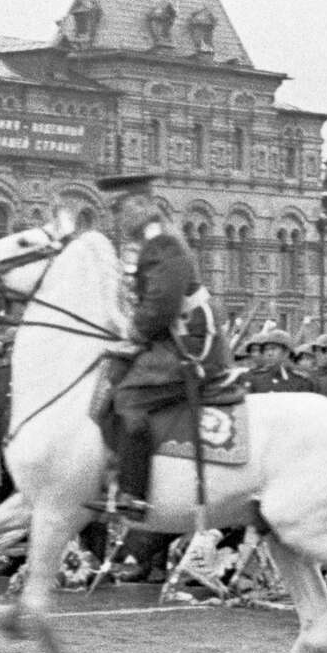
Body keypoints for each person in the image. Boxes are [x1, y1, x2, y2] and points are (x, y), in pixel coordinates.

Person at [92, 173, 231, 519]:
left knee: (130, 396)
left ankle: (134, 494)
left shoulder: (162, 243)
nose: (118, 219)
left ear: (142, 206)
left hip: (191, 344)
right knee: (111, 376)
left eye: (121, 209)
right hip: (172, 337)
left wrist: (133, 336)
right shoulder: (152, 243)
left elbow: (163, 303)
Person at [239, 330, 313, 394]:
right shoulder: (253, 378)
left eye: (273, 349)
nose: (269, 353)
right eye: (266, 349)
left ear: (286, 352)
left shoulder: (301, 381)